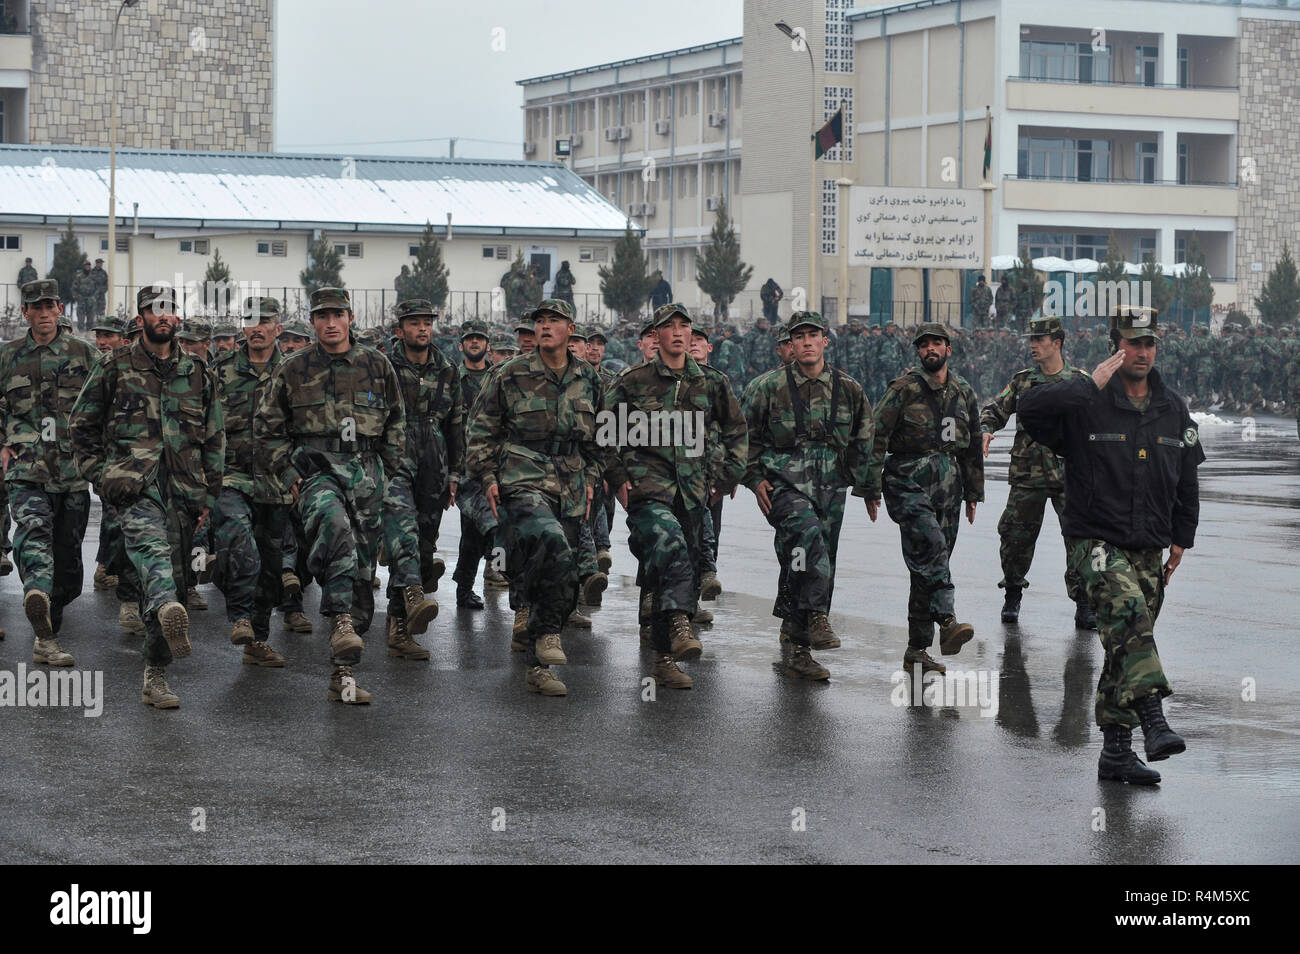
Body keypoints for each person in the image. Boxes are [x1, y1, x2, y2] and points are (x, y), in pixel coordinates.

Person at [1019, 306, 1203, 785]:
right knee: (1129, 615)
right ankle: (1153, 719)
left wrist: (1182, 538)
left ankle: (1116, 754)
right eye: (1131, 344)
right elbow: (1030, 411)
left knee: (1127, 641)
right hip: (1094, 539)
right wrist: (1086, 385)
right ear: (1114, 348)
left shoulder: (1173, 407)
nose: (1141, 352)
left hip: (1149, 544)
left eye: (1148, 344)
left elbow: (1187, 476)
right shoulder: (1086, 402)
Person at [70, 284, 225, 709]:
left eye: (170, 310)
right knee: (152, 553)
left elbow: (214, 438)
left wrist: (209, 496)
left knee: (175, 576)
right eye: (154, 311)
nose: (163, 318)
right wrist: (101, 476)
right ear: (140, 319)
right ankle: (164, 605)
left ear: (178, 318)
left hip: (184, 490)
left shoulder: (197, 372)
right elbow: (80, 427)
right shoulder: (114, 367)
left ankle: (155, 674)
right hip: (133, 487)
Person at [255, 287, 405, 704]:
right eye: (322, 316)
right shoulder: (294, 368)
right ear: (314, 321)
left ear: (351, 318)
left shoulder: (378, 365)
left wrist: (386, 473)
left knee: (360, 569)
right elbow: (266, 429)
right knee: (335, 529)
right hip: (316, 472)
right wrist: (288, 472)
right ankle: (339, 620)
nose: (330, 323)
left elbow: (396, 423)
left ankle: (344, 674)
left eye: (337, 314)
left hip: (366, 476)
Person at [603, 302, 747, 690]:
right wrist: (617, 478)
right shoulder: (633, 380)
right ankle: (682, 623)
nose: (679, 333)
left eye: (685, 326)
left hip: (692, 490)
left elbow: (735, 430)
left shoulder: (711, 383)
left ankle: (662, 655)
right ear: (657, 336)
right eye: (670, 327)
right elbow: (605, 434)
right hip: (647, 488)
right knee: (674, 550)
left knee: (658, 568)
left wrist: (726, 475)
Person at [465, 298, 604, 697]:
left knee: (560, 570)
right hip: (522, 476)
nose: (545, 327)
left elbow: (604, 437)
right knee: (553, 543)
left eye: (554, 321)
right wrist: (488, 477)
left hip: (572, 484)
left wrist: (593, 475)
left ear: (569, 329)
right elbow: (481, 431)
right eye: (539, 321)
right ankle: (545, 637)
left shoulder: (589, 379)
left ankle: (538, 662)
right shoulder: (509, 374)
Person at [743, 312, 874, 680]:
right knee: (808, 539)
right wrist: (753, 480)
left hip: (831, 485)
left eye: (813, 335)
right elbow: (743, 438)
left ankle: (794, 629)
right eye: (798, 336)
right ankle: (814, 623)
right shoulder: (767, 388)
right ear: (790, 344)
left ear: (825, 341)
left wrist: (868, 486)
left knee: (814, 558)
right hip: (784, 485)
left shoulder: (848, 389)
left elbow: (865, 439)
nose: (806, 342)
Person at [866, 322, 982, 676]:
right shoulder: (903, 390)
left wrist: (973, 493)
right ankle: (947, 620)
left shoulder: (964, 393)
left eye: (937, 343)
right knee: (931, 549)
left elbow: (973, 443)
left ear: (949, 348)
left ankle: (917, 649)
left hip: (949, 487)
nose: (930, 349)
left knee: (928, 565)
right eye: (924, 345)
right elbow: (876, 436)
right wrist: (870, 488)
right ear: (918, 352)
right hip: (906, 481)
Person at [0, 279, 98, 667]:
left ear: (60, 309)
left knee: (68, 560)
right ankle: (41, 616)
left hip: (72, 473)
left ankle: (49, 617)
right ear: (25, 312)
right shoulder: (8, 357)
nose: (43, 313)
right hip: (26, 470)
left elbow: (106, 403)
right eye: (35, 307)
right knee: (33, 534)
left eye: (49, 306)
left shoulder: (85, 355)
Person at [980, 316, 1095, 628]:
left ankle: (1084, 602)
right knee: (1015, 537)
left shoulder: (1080, 381)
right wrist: (987, 429)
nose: (1032, 345)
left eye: (1039, 340)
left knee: (1080, 541)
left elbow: (1099, 423)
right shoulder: (1022, 381)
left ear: (1056, 343)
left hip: (1068, 476)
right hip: (1027, 475)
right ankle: (1012, 593)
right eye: (1031, 340)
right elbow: (995, 410)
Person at [210, 297, 292, 668]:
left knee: (271, 561)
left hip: (276, 479)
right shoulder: (221, 370)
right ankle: (240, 615)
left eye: (265, 320)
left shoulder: (292, 371)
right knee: (239, 539)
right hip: (231, 474)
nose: (257, 327)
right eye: (250, 321)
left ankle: (256, 638)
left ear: (278, 327)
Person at [380, 299, 459, 659]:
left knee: (425, 540)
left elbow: (456, 424)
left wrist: (455, 472)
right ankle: (411, 595)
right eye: (414, 323)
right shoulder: (382, 366)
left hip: (434, 459)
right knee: (402, 529)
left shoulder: (446, 368)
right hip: (394, 455)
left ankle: (399, 622)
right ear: (400, 330)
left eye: (427, 322)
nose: (422, 329)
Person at [452, 319, 497, 609]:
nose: (475, 343)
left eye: (480, 339)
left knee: (483, 531)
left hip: (495, 467)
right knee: (478, 529)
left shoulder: (499, 378)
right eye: (470, 339)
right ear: (461, 345)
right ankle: (465, 587)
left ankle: (482, 579)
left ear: (487, 345)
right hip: (466, 468)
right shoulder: (452, 381)